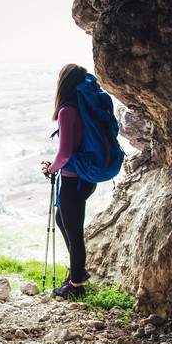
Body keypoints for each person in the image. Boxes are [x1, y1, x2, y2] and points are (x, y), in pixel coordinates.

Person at [40, 63, 96, 299]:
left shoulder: (67, 110)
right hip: (85, 178)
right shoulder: (84, 107)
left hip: (74, 181)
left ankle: (76, 287)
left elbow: (64, 154)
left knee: (74, 233)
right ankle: (77, 272)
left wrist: (50, 169)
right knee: (61, 218)